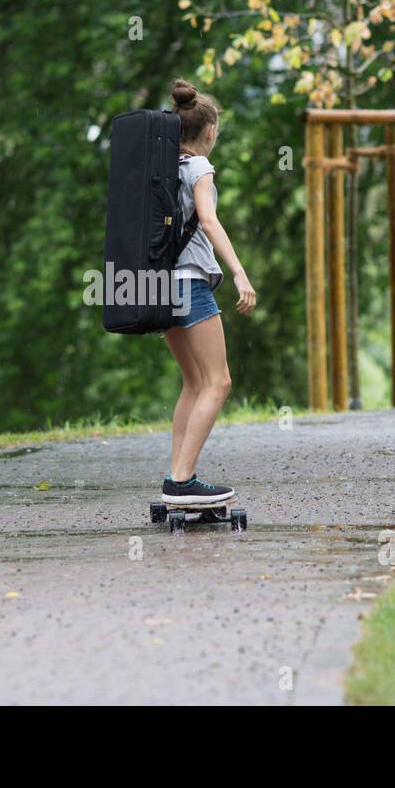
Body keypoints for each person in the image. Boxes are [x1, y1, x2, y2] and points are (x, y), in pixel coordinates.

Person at [161, 78, 256, 505]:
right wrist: (239, 272)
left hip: (159, 285)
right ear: (210, 131)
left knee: (193, 381)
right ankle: (183, 482)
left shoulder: (163, 166)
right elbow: (210, 221)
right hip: (190, 283)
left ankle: (176, 477)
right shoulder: (199, 168)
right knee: (218, 382)